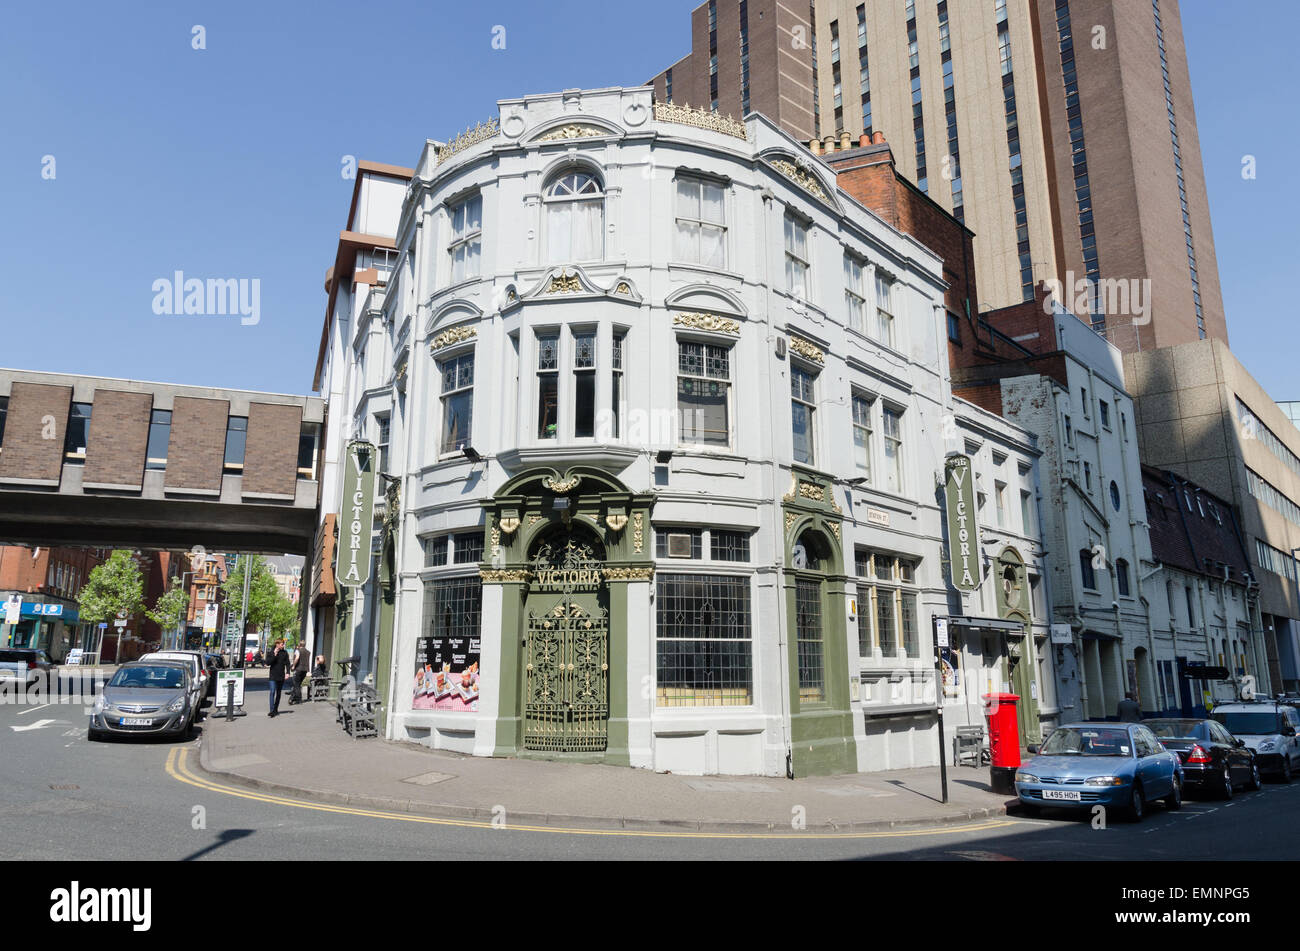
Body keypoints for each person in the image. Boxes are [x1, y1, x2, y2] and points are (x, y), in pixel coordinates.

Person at [266, 639, 289, 716]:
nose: (283, 645)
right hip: (273, 675)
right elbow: (268, 662)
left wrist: (288, 673)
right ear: (277, 644)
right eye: (282, 644)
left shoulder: (285, 653)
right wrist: (274, 655)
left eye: (283, 644)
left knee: (278, 693)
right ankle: (271, 710)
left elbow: (287, 663)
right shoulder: (271, 652)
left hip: (281, 675)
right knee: (272, 692)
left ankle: (275, 709)